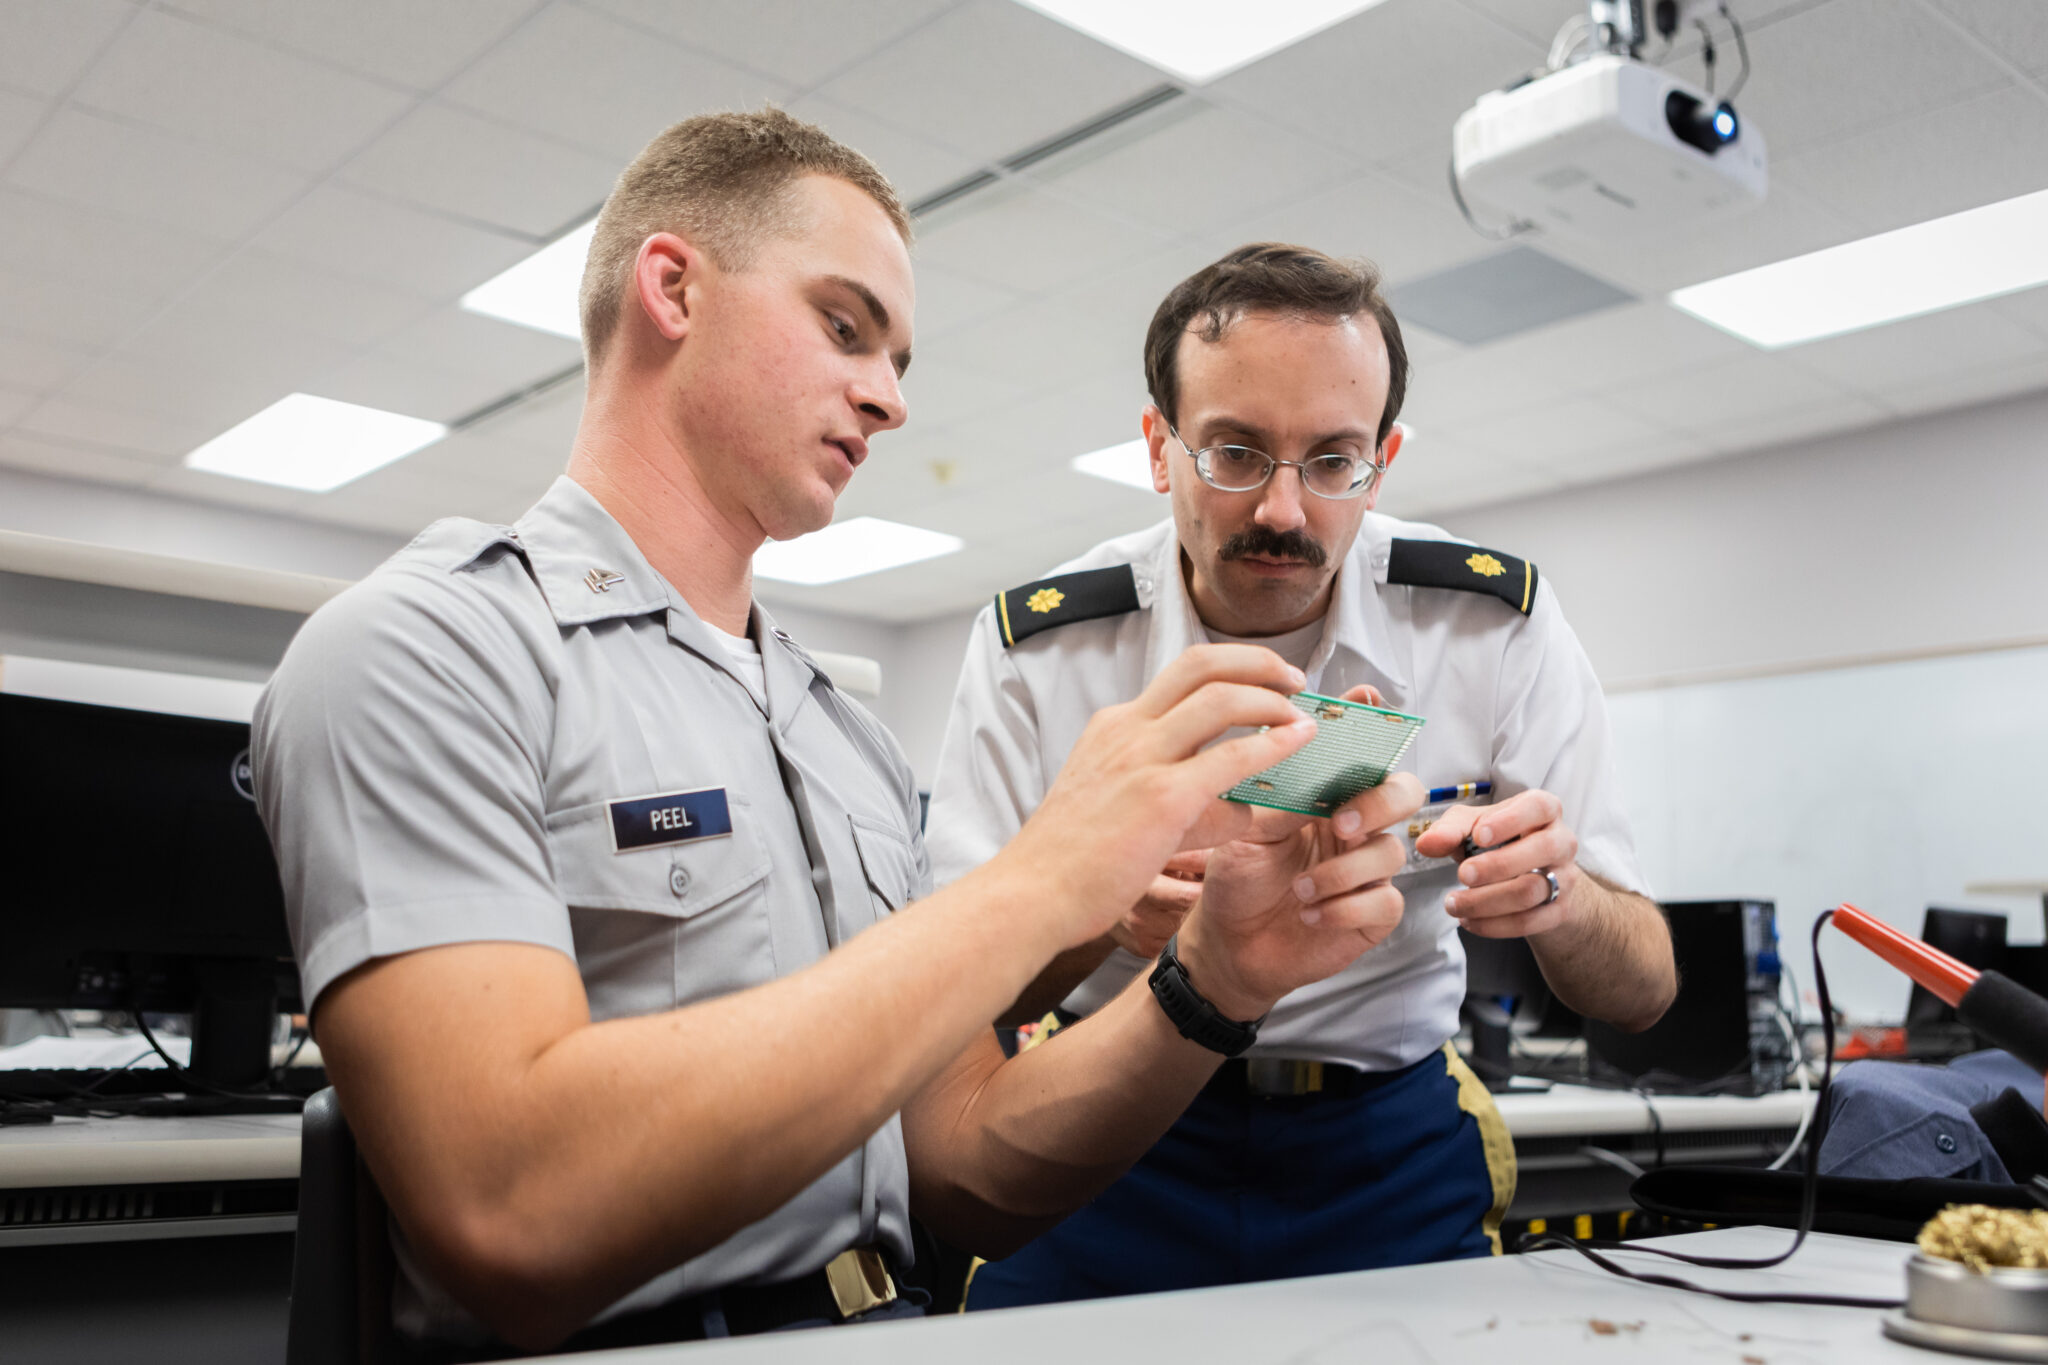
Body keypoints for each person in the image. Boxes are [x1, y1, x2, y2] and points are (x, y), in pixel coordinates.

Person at [252, 115, 1428, 1360]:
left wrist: (1213, 983)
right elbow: (509, 1212)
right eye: (844, 325)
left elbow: (956, 1175)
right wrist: (1043, 882)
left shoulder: (841, 739)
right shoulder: (431, 648)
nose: (890, 396)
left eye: (899, 354)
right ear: (671, 289)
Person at [926, 242, 1678, 1309]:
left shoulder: (1484, 625)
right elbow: (950, 1005)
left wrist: (1551, 898)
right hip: (1110, 1129)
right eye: (1234, 453)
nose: (1282, 511)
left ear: (1384, 458)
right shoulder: (1039, 649)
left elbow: (1641, 987)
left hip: (1383, 1149)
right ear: (1158, 447)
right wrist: (1094, 915)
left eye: (1331, 463)